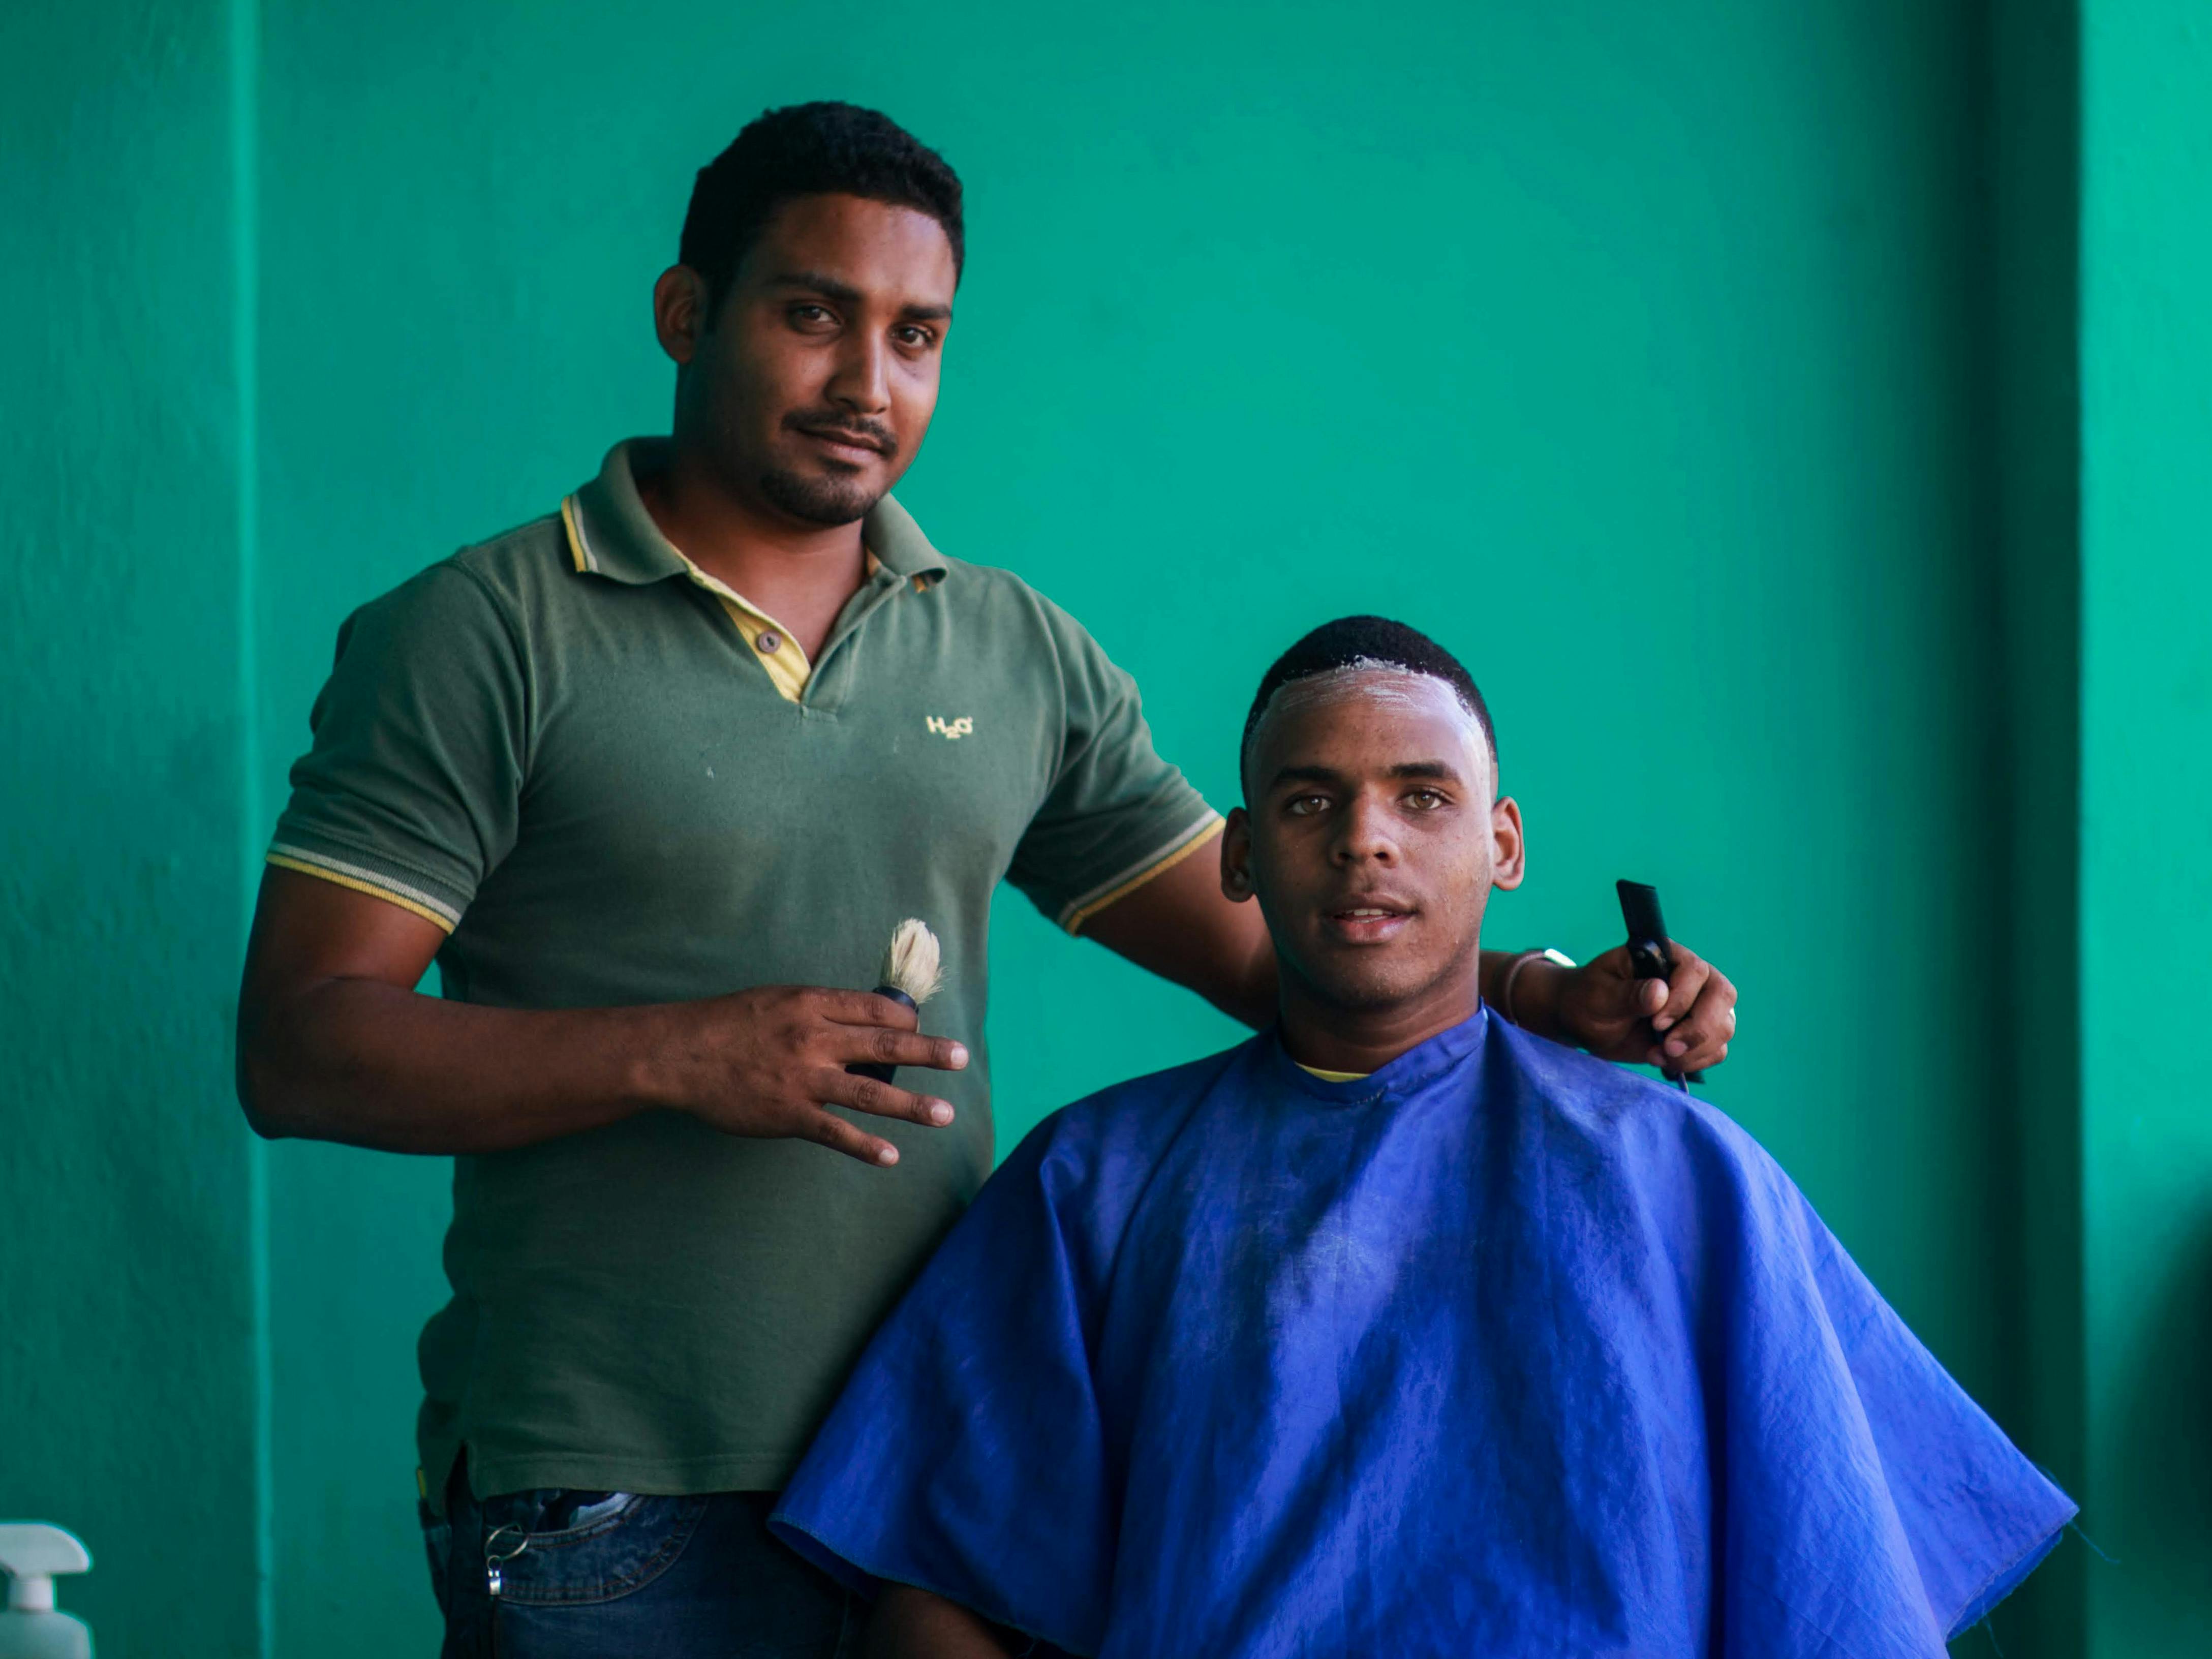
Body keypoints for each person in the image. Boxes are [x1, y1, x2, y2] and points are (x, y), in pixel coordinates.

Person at [233, 106, 1738, 1656]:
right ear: (686, 312)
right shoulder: (482, 632)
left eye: (916, 334)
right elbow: (296, 1047)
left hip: (945, 1507)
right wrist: (676, 1053)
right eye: (812, 315)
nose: (866, 383)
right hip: (620, 1503)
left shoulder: (1010, 649)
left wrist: (1544, 995)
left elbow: (1281, 948)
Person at [771, 616, 2074, 1659]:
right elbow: (931, 1585)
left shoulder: (1681, 1179)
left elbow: (1838, 1594)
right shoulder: (1096, 1182)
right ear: (1237, 858)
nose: (1365, 842)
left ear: (1502, 845)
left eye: (1423, 797)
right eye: (1308, 804)